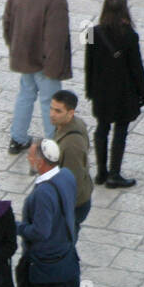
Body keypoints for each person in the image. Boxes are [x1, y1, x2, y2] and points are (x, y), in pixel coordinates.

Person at [14, 139, 98, 287]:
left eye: (31, 156)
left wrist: (16, 227)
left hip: (44, 262)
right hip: (62, 255)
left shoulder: (42, 193)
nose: (29, 158)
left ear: (41, 162)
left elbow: (41, 231)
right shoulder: (66, 176)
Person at [3, 0, 77, 154]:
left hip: (23, 54)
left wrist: (13, 45)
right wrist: (54, 69)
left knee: (26, 93)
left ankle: (17, 138)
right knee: (51, 103)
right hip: (45, 61)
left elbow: (8, 15)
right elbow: (55, 38)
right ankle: (53, 144)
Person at [85, 0, 144, 189]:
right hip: (123, 93)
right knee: (120, 131)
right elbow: (136, 67)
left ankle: (101, 172)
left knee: (102, 128)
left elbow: (89, 65)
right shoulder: (129, 35)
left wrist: (90, 90)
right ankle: (115, 173)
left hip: (101, 92)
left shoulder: (93, 32)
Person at [50, 92, 93, 229]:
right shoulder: (72, 124)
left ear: (70, 113)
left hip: (71, 207)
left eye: (58, 111)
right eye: (51, 108)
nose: (52, 114)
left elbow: (73, 182)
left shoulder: (71, 146)